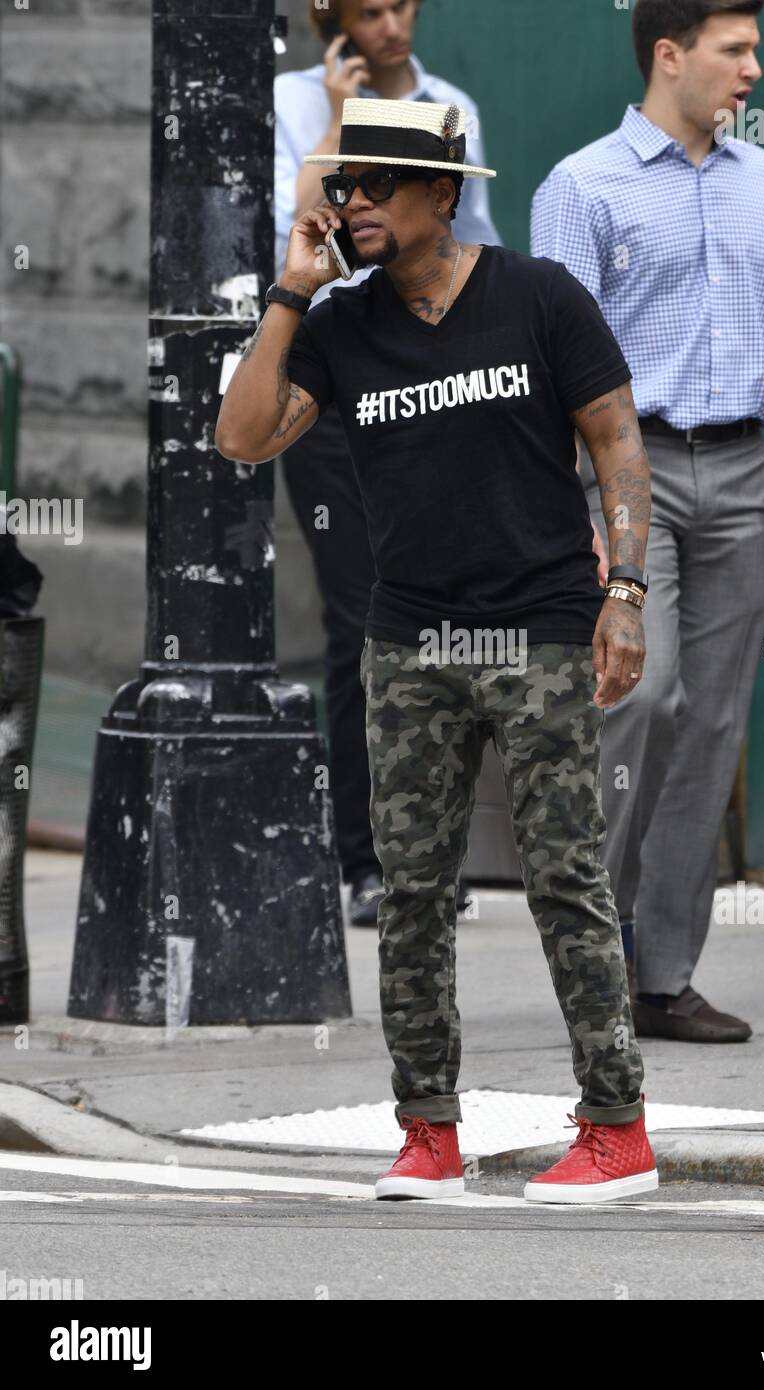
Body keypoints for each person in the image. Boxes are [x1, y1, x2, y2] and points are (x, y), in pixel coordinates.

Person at [216, 98, 658, 1204]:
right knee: (412, 892)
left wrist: (627, 593)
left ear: (442, 195)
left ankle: (616, 1128)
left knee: (565, 875)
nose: (352, 205)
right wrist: (291, 288)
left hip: (543, 623)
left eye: (373, 187)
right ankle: (428, 1131)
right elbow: (241, 437)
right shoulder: (342, 325)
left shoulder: (537, 297)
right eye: (342, 189)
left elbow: (615, 442)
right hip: (407, 638)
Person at [531, 0, 764, 1043]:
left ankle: (662, 977)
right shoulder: (581, 187)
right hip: (633, 479)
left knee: (711, 726)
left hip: (742, 474)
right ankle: (594, 953)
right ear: (670, 56)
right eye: (735, 49)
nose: (752, 68)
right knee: (643, 694)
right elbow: (556, 378)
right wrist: (580, 509)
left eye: (756, 47)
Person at [275, 0, 499, 926]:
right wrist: (338, 112)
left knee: (445, 602)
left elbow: (474, 234)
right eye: (370, 10)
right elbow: (305, 218)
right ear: (334, 19)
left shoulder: (452, 105)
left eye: (403, 5)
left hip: (432, 376)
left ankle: (436, 852)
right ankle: (364, 861)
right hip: (334, 382)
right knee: (358, 616)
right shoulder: (294, 97)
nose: (392, 24)